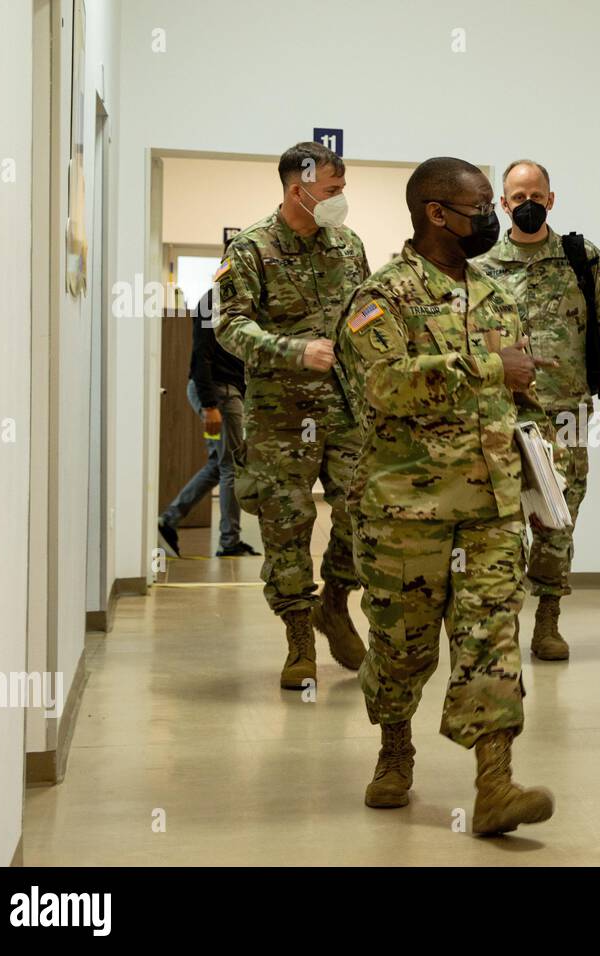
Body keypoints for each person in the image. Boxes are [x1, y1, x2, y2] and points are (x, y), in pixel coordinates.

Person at [335, 156, 556, 835]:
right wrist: (490, 366)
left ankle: (495, 784)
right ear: (437, 213)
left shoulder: (495, 294)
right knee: (403, 649)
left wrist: (544, 477)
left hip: (489, 508)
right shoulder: (383, 296)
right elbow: (384, 384)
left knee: (491, 642)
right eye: (479, 206)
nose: (491, 217)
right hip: (407, 513)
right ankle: (394, 750)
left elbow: (521, 394)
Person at [213, 141, 369, 690]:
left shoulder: (349, 246)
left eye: (342, 188)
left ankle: (336, 601)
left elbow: (365, 317)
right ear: (297, 189)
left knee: (360, 506)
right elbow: (229, 325)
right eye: (332, 190)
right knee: (287, 524)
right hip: (280, 416)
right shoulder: (251, 249)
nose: (340, 199)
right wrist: (293, 350)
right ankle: (299, 635)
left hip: (347, 409)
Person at [474, 159, 600, 661]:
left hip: (566, 415)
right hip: (499, 415)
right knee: (499, 523)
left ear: (551, 198)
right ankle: (498, 625)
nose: (527, 205)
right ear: (502, 204)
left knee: (557, 523)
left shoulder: (581, 258)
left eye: (536, 195)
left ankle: (547, 620)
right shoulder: (479, 267)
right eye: (517, 198)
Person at [157, 284, 258, 559]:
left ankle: (169, 519)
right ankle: (229, 542)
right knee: (231, 466)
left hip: (225, 391)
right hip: (219, 392)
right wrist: (210, 405)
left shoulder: (245, 299)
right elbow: (200, 355)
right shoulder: (212, 301)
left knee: (219, 463)